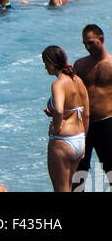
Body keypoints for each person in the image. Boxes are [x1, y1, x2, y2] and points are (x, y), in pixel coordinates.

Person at [42, 44, 90, 193]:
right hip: (79, 138)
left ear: (51, 63)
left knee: (61, 190)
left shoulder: (58, 84)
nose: (45, 67)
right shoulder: (78, 80)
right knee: (70, 188)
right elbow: (86, 113)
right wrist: (84, 140)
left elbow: (59, 109)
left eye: (45, 63)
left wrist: (56, 127)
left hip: (62, 140)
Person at [73, 24, 112, 180]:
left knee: (110, 168)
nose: (87, 47)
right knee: (78, 170)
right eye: (84, 43)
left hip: (107, 123)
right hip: (83, 124)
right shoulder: (80, 65)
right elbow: (71, 91)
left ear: (101, 39)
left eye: (90, 42)